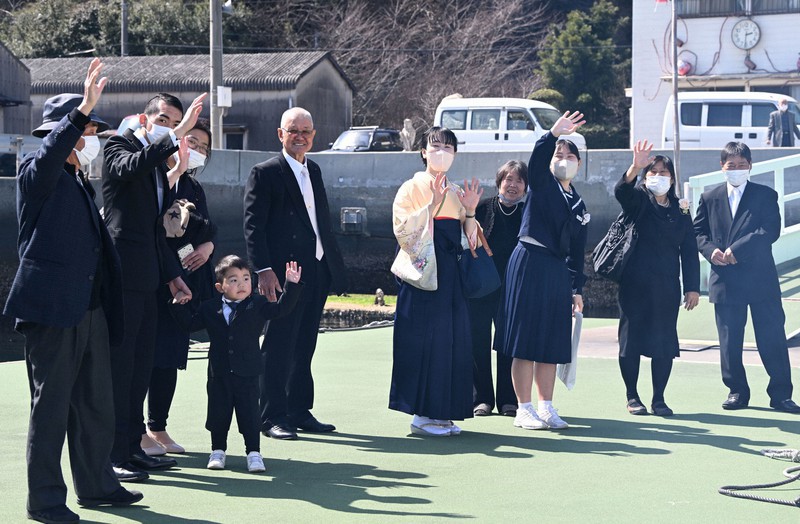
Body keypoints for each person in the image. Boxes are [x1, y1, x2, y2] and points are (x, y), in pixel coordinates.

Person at [4, 59, 143, 524]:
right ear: (63, 132)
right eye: (87, 131)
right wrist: (82, 109)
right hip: (52, 310)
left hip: (88, 308)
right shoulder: (36, 170)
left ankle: (97, 484)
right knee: (51, 410)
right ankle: (45, 501)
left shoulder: (79, 181)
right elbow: (49, 154)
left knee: (95, 403)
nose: (92, 141)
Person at [102, 91, 205, 480]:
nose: (169, 127)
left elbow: (155, 233)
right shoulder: (119, 145)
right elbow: (127, 168)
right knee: (120, 368)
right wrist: (173, 135)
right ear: (145, 120)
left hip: (149, 279)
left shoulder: (160, 168)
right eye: (162, 119)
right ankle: (112, 455)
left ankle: (132, 448)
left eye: (175, 121)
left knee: (140, 368)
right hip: (122, 278)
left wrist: (173, 275)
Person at [243, 107, 347, 440]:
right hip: (283, 274)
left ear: (314, 135)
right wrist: (264, 271)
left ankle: (299, 409)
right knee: (278, 344)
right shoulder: (265, 172)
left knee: (305, 343)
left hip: (315, 269)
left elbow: (321, 222)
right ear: (280, 134)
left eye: (306, 131)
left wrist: (331, 266)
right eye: (293, 130)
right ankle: (272, 415)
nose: (300, 136)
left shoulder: (313, 169)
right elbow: (253, 227)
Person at [496, 111, 589, 431]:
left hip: (556, 271)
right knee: (524, 339)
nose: (562, 159)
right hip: (528, 262)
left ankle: (546, 406)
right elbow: (536, 161)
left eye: (569, 155)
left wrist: (577, 288)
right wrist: (551, 134)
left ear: (579, 163)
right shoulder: (542, 183)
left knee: (550, 340)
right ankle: (524, 408)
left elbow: (578, 251)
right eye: (558, 154)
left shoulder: (579, 204)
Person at [389, 126, 483, 436]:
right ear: (423, 152)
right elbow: (403, 230)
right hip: (424, 276)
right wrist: (432, 205)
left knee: (451, 341)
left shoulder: (456, 191)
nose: (442, 151)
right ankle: (421, 416)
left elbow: (472, 240)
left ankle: (443, 413)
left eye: (448, 147)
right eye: (436, 146)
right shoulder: (411, 187)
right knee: (424, 342)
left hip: (451, 274)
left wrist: (469, 211)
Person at [693, 141, 800, 413]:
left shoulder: (765, 195)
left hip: (760, 278)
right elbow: (697, 232)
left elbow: (770, 231)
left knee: (772, 337)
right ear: (722, 167)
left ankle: (781, 395)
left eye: (742, 165)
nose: (737, 170)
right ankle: (737, 391)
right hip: (724, 279)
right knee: (729, 341)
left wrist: (736, 251)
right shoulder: (709, 197)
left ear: (750, 166)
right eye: (732, 166)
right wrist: (711, 251)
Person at [171, 256, 302, 473]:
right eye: (233, 280)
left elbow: (281, 310)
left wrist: (292, 284)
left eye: (245, 278)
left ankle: (254, 454)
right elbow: (189, 324)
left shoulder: (258, 304)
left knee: (250, 414)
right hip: (219, 373)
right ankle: (217, 451)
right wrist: (177, 304)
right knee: (218, 414)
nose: (241, 284)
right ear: (219, 287)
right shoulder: (209, 307)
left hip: (248, 373)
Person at [142, 119, 217, 456]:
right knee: (146, 358)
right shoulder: (156, 178)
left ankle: (158, 427)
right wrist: (188, 255)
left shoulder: (194, 187)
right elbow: (164, 235)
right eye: (193, 142)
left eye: (204, 146)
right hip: (156, 281)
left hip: (186, 286)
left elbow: (205, 232)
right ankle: (135, 428)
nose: (197, 150)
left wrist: (208, 248)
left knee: (170, 359)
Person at [615, 141, 700, 417]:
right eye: (653, 172)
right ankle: (632, 396)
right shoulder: (639, 201)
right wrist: (634, 168)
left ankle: (659, 399)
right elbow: (621, 191)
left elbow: (689, 248)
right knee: (631, 341)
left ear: (672, 178)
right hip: (634, 284)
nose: (658, 177)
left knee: (664, 342)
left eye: (664, 173)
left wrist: (692, 288)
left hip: (666, 286)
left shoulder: (682, 208)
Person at [469, 160, 528, 417]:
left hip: (513, 289)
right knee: (478, 341)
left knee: (507, 345)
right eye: (508, 179)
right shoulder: (482, 208)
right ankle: (481, 398)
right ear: (499, 182)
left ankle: (508, 400)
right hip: (481, 286)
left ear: (526, 186)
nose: (512, 185)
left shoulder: (529, 213)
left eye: (518, 180)